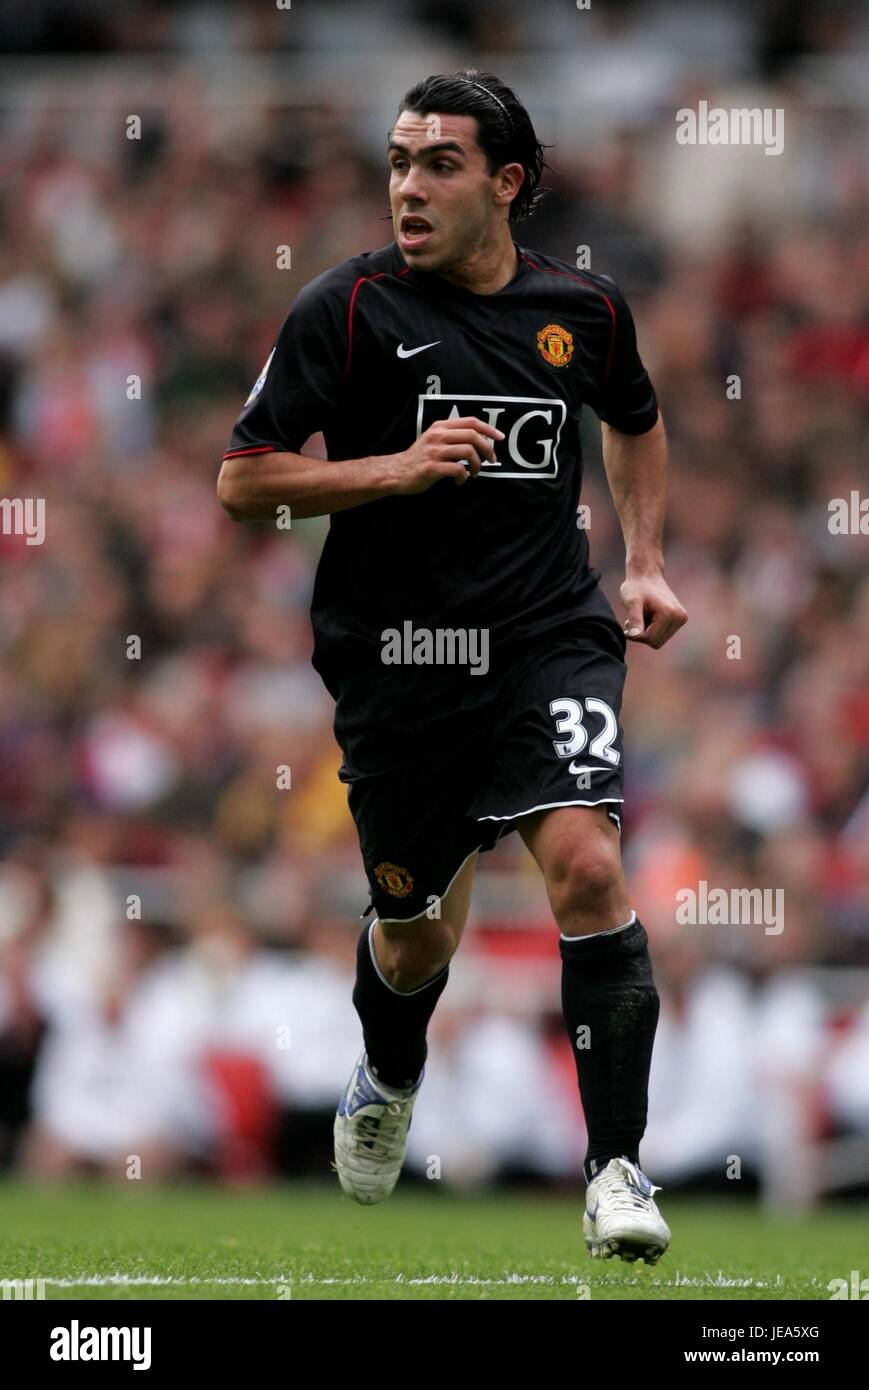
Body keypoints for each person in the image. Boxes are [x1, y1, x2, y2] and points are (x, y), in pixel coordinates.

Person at [218, 68, 687, 1264]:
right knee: (416, 934)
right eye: (394, 162)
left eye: (436, 165)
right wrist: (391, 470)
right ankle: (385, 1070)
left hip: (548, 635)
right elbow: (244, 480)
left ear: (506, 183)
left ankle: (616, 1168)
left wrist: (641, 560)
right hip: (399, 664)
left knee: (586, 864)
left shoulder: (580, 308)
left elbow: (630, 414)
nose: (406, 188)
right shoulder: (346, 308)